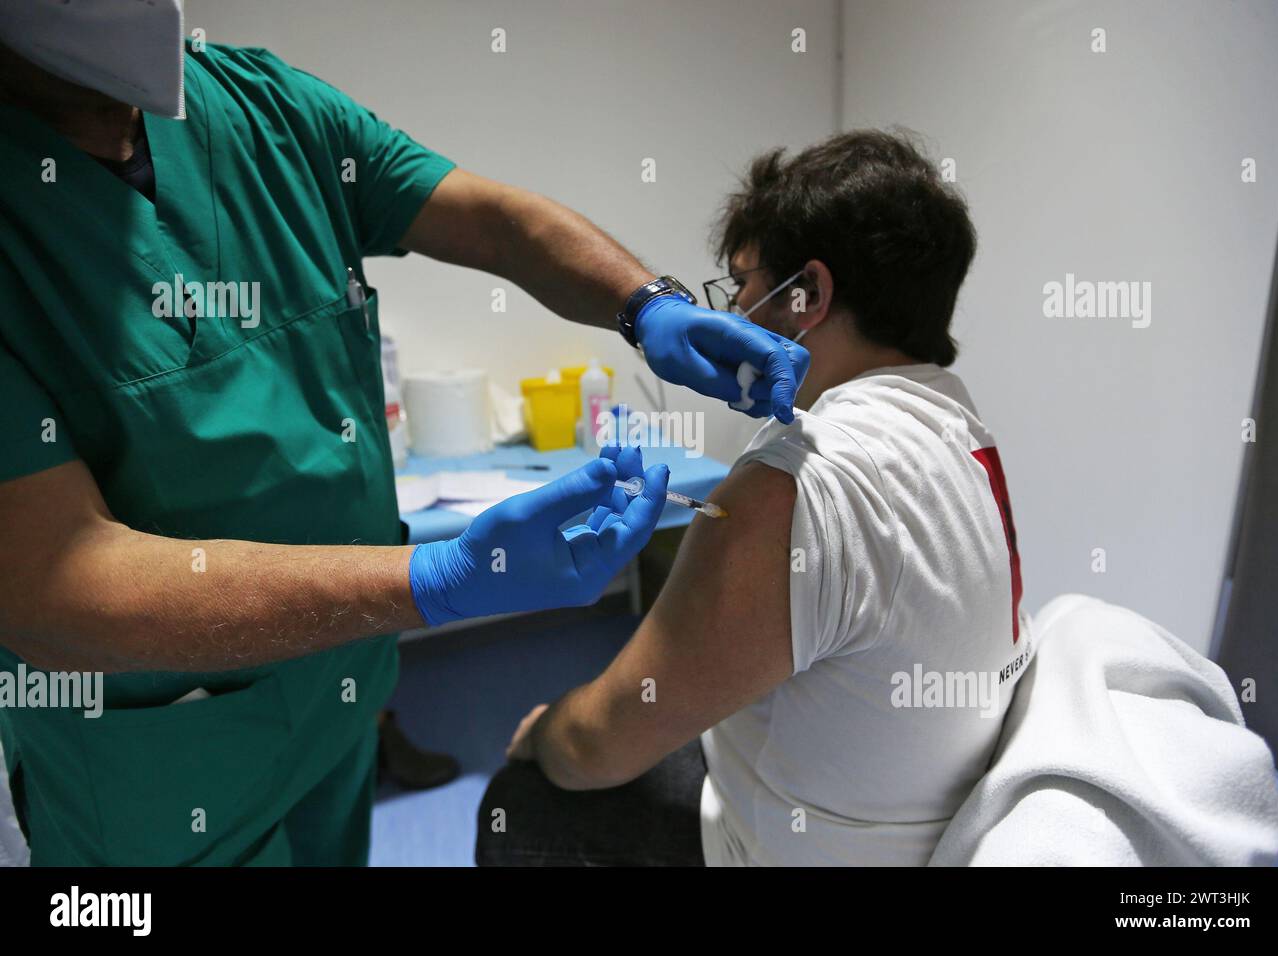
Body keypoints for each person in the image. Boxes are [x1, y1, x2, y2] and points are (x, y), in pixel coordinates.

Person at [0, 2, 808, 867]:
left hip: (338, 695)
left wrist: (648, 305)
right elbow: (58, 588)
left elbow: (496, 221)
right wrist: (440, 577)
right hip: (157, 757)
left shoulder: (262, 107)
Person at [476, 130, 1030, 867]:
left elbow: (597, 747)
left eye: (741, 282)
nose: (732, 309)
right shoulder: (958, 425)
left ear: (806, 294)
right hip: (924, 807)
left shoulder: (797, 481)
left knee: (523, 799)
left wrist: (544, 731)